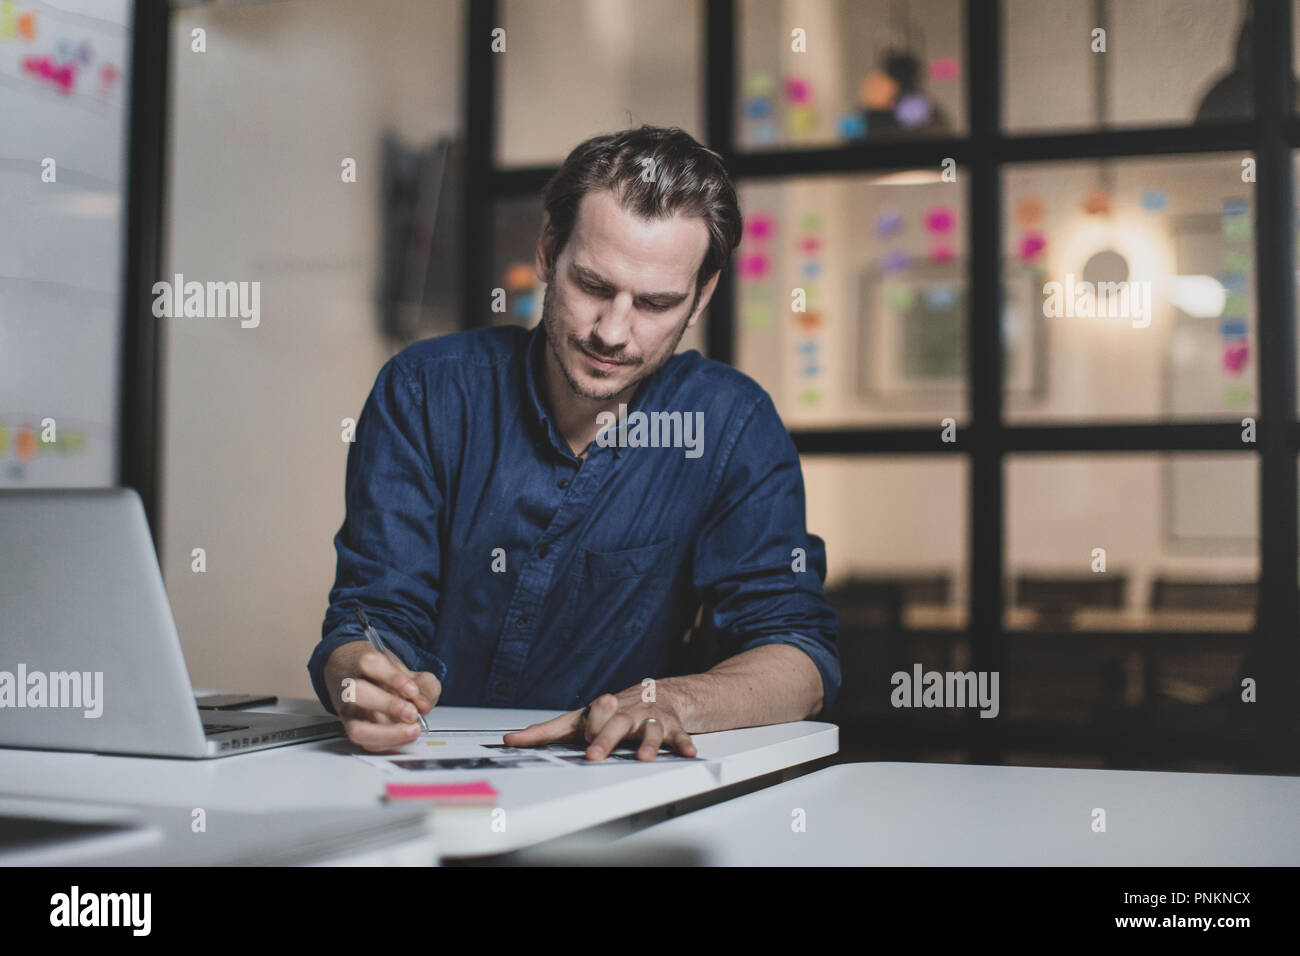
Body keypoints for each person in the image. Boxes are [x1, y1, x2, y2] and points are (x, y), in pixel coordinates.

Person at [308, 125, 839, 760]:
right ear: (548, 251)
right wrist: (356, 677)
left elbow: (800, 657)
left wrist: (671, 701)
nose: (613, 332)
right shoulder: (425, 391)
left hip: (619, 796)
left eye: (655, 303)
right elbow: (369, 616)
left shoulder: (733, 424)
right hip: (421, 773)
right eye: (593, 285)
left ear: (702, 295)